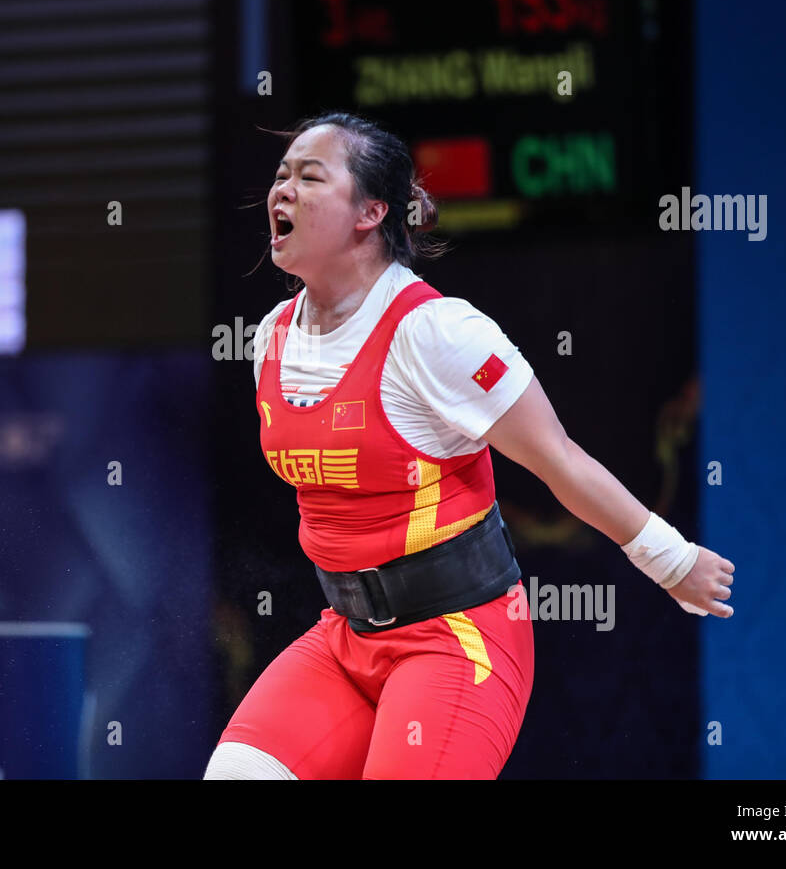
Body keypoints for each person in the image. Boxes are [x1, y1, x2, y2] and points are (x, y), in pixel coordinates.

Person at [204, 111, 734, 780]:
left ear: (371, 211)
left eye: (309, 177)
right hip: (345, 638)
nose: (282, 191)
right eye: (281, 177)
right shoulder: (273, 338)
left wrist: (671, 558)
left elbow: (560, 460)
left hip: (457, 642)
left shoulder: (436, 334)